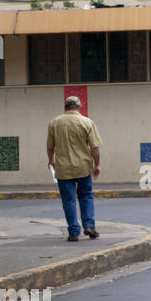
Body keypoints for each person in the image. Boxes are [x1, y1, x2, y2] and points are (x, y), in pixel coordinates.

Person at [46, 95, 103, 241]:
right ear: (79, 107)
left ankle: (73, 231)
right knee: (86, 195)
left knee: (68, 200)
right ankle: (89, 226)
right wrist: (97, 165)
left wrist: (51, 160)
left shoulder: (54, 123)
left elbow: (50, 146)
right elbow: (94, 147)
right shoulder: (87, 122)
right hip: (83, 167)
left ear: (65, 107)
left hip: (63, 169)